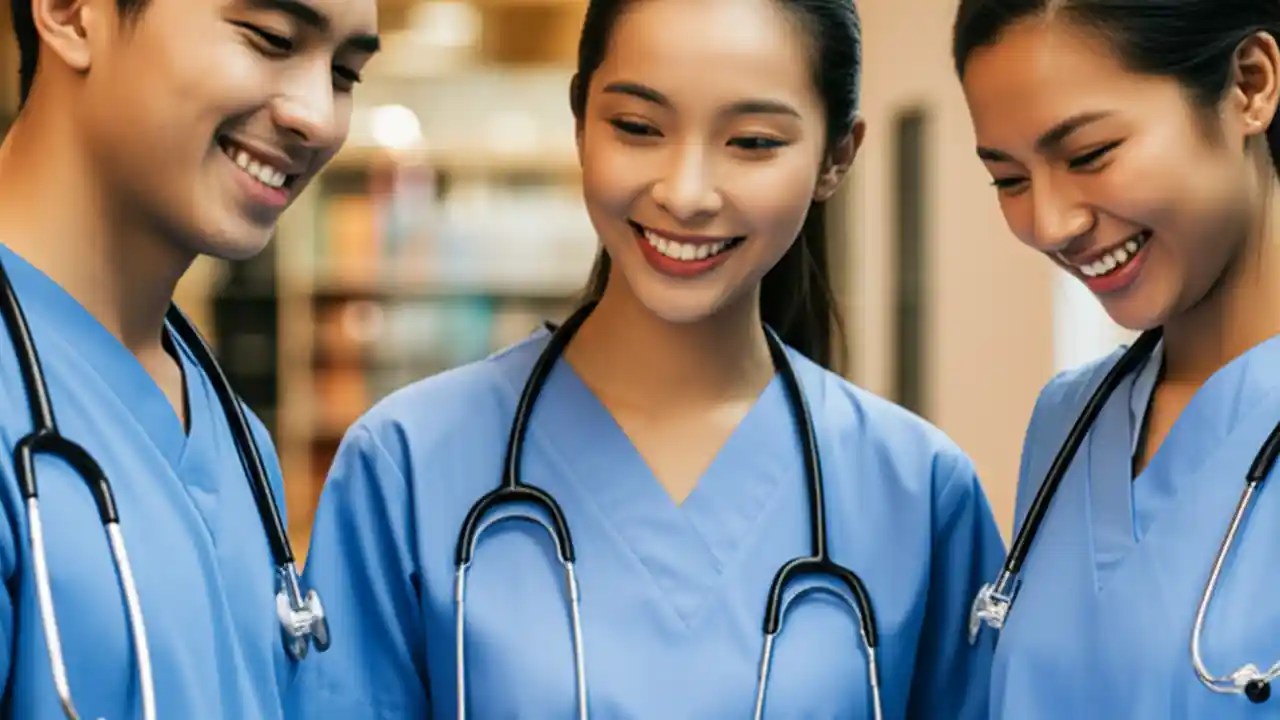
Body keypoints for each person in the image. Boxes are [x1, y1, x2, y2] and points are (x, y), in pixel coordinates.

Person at [291, 0, 1004, 717]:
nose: (685, 193)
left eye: (753, 142)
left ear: (835, 157)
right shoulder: (406, 466)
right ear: (580, 121)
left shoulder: (919, 493)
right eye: (638, 128)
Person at [0, 0, 377, 716]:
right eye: (270, 40)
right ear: (73, 13)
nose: (319, 118)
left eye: (346, 73)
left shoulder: (236, 441)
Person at [954, 0, 1280, 717]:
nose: (1049, 223)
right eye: (1009, 179)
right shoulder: (1066, 423)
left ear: (1250, 86)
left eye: (1089, 155)